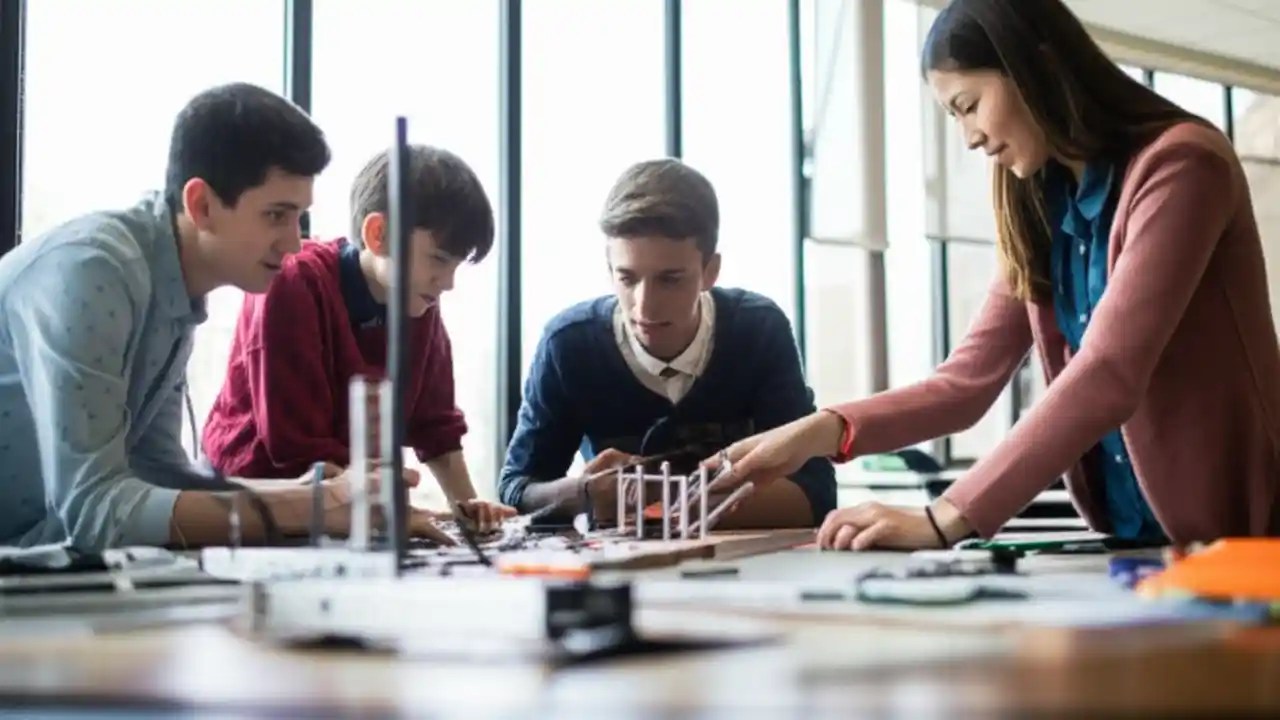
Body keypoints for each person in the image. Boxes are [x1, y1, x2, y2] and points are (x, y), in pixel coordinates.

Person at [706, 0, 1280, 550]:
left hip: (1244, 540)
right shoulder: (1040, 203)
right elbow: (965, 384)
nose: (970, 137)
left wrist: (945, 518)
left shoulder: (1183, 164)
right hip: (1131, 547)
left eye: (969, 105)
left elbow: (1109, 372)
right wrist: (817, 431)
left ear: (1036, 67)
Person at [0, 82, 449, 550]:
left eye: (298, 217)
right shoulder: (93, 271)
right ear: (202, 205)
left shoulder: (171, 287)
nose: (293, 243)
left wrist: (324, 495)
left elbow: (158, 476)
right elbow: (96, 512)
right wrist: (320, 507)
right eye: (276, 215)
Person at [499, 159, 835, 528]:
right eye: (627, 279)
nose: (644, 306)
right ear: (609, 269)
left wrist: (663, 496)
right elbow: (517, 489)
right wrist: (586, 492)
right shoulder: (569, 344)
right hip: (619, 558)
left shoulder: (758, 331)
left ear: (710, 271)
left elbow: (816, 493)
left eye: (670, 280)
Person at [201, 145, 515, 531]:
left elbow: (435, 426)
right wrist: (388, 510)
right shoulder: (294, 282)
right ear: (378, 234)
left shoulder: (416, 300)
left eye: (456, 266)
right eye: (438, 259)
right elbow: (296, 449)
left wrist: (468, 508)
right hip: (249, 507)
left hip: (348, 499)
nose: (448, 283)